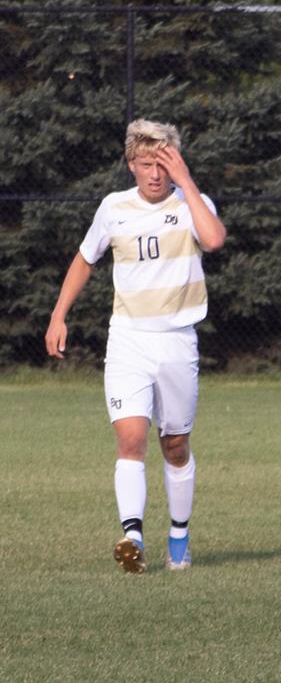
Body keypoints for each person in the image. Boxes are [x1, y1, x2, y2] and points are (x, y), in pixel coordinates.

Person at [45, 119, 226, 573]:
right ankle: (132, 537)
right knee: (130, 438)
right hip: (128, 340)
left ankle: (179, 537)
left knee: (175, 444)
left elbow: (215, 239)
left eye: (163, 164)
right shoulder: (113, 208)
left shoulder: (192, 203)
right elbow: (86, 259)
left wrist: (186, 179)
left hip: (176, 342)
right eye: (146, 164)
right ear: (131, 165)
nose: (155, 173)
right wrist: (58, 314)